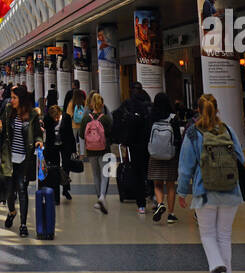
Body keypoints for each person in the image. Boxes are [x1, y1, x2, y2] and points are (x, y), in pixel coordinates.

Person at [177, 93, 244, 273]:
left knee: (207, 235)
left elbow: (185, 167)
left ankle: (218, 268)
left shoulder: (193, 133)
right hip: (231, 191)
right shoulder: (228, 131)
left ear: (198, 110)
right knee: (224, 235)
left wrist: (181, 191)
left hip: (204, 191)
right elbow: (240, 159)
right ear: (217, 109)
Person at [0, 86, 44, 237]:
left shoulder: (33, 114)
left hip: (24, 159)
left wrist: (39, 141)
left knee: (22, 189)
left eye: (15, 97)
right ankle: (12, 212)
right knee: (9, 192)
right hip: (9, 157)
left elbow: (37, 133)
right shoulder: (8, 111)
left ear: (21, 99)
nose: (12, 100)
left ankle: (23, 224)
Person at [114, 82, 153, 216]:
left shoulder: (128, 104)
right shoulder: (149, 105)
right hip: (149, 144)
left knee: (137, 173)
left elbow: (119, 118)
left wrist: (123, 139)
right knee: (149, 171)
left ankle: (141, 204)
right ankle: (153, 196)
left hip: (134, 145)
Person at [147, 91, 181, 224]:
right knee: (171, 184)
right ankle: (171, 214)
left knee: (157, 184)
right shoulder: (173, 118)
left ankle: (160, 203)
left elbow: (147, 135)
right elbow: (177, 137)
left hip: (155, 155)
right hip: (170, 155)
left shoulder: (152, 117)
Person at [78, 92, 112, 214]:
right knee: (105, 174)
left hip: (91, 150)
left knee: (96, 175)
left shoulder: (86, 118)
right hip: (104, 150)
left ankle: (99, 198)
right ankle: (102, 197)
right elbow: (111, 134)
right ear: (102, 105)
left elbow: (81, 135)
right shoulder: (106, 119)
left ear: (92, 104)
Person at [43, 101, 75, 200]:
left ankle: (65, 188)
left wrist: (73, 149)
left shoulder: (66, 118)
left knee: (66, 166)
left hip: (65, 144)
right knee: (54, 168)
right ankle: (55, 190)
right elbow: (47, 133)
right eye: (54, 118)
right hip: (52, 146)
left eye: (57, 117)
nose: (55, 120)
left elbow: (70, 133)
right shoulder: (48, 119)